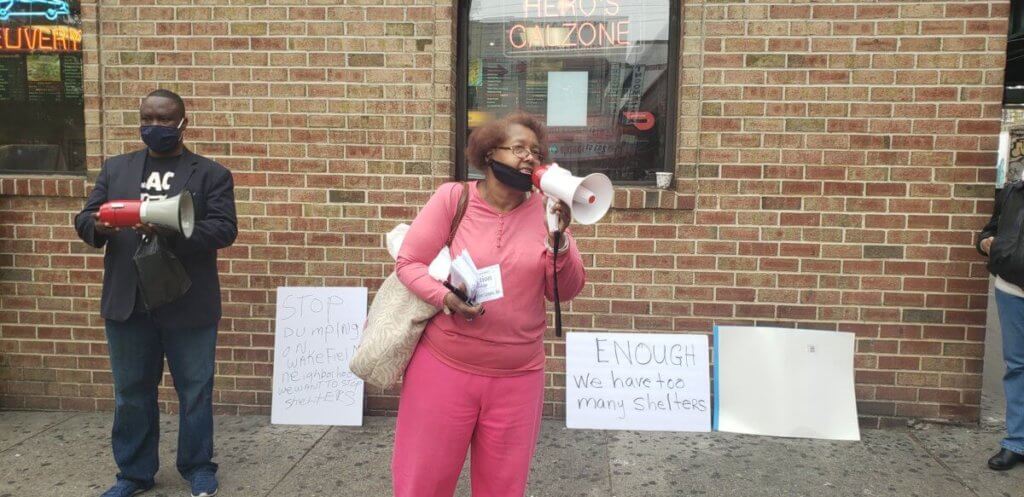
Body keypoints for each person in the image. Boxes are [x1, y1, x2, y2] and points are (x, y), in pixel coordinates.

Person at [391, 111, 587, 496]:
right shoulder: (454, 198)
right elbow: (409, 263)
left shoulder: (548, 210)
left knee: (503, 488)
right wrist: (444, 296)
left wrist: (559, 242)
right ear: (488, 154)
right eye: (518, 149)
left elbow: (567, 289)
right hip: (444, 371)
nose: (529, 158)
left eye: (535, 151)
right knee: (423, 483)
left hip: (518, 378)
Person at [74, 89, 237, 497]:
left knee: (196, 390)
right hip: (128, 302)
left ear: (183, 122)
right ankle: (133, 473)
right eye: (148, 117)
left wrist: (174, 232)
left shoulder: (210, 174)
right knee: (131, 392)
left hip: (187, 300)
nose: (156, 126)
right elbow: (84, 219)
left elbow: (223, 229)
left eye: (165, 119)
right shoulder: (117, 169)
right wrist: (99, 226)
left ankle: (198, 466)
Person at [978, 181, 1024, 471]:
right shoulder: (1012, 193)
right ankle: (1016, 442)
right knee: (1017, 366)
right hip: (1011, 291)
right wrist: (986, 243)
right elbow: (989, 231)